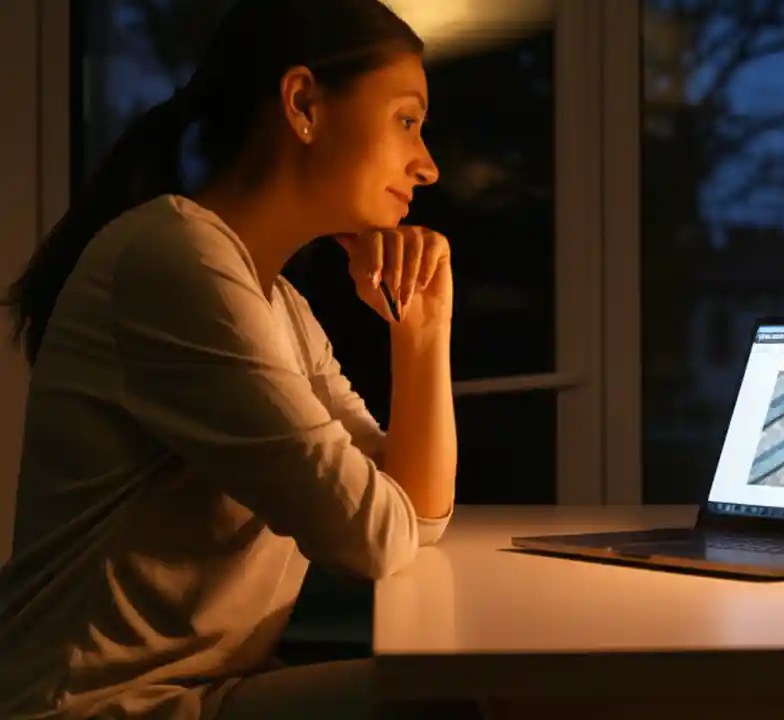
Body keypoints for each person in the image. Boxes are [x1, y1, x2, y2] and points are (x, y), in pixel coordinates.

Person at [0, 0, 458, 717]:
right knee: (460, 701)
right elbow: (375, 538)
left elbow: (417, 516)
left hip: (195, 692)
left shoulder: (277, 304)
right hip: (95, 707)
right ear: (304, 104)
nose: (426, 165)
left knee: (463, 696)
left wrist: (422, 329)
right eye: (407, 119)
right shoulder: (176, 260)